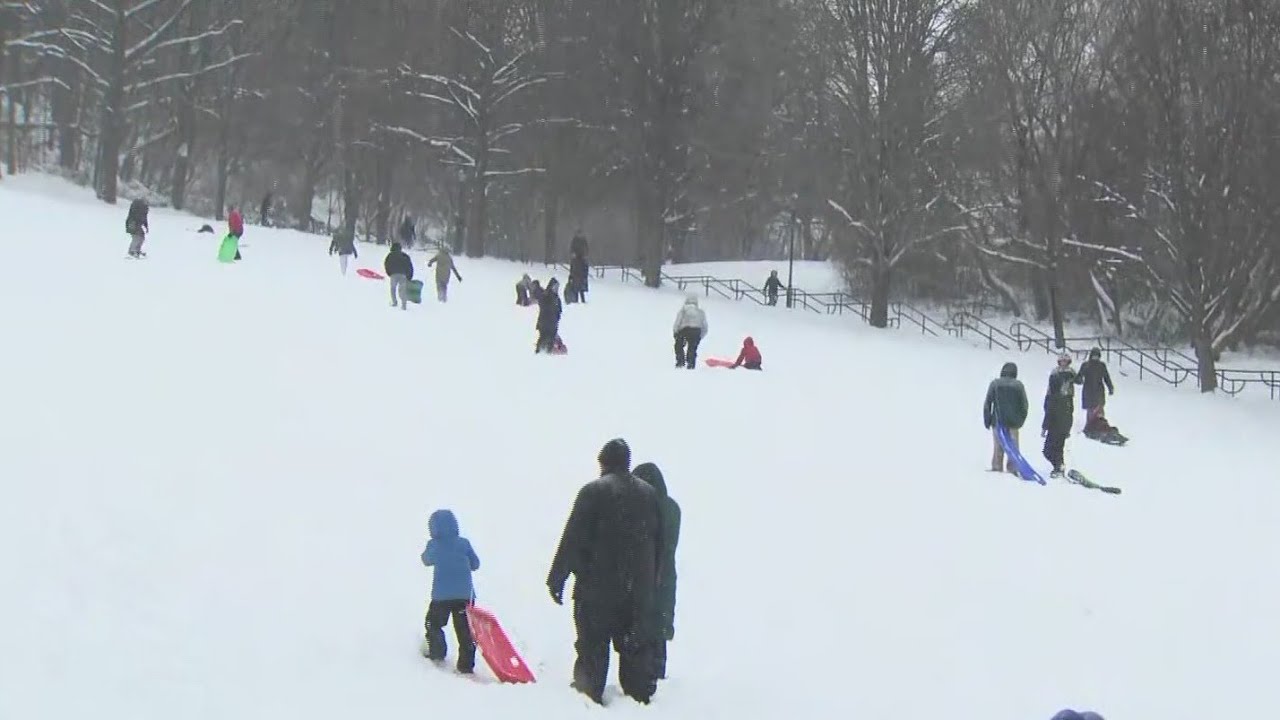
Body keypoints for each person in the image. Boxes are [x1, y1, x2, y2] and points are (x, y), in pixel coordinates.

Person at [547, 438, 664, 706]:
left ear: (604, 463)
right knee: (634, 646)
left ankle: (589, 693)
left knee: (593, 645)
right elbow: (660, 543)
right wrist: (653, 582)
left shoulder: (593, 491)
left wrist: (558, 576)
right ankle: (638, 695)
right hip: (637, 589)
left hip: (597, 588)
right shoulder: (650, 495)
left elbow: (573, 537)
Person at [633, 462, 680, 681]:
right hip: (667, 574)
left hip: (646, 573)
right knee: (661, 622)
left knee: (645, 624)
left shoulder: (647, 509)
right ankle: (658, 670)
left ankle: (647, 674)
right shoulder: (672, 508)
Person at [419, 509, 480, 674]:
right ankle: (466, 665)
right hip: (464, 596)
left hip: (442, 597)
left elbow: (426, 560)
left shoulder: (435, 545)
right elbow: (475, 564)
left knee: (434, 623)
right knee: (465, 630)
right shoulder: (464, 544)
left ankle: (437, 653)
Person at [983, 361, 1030, 474]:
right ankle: (1013, 468)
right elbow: (1024, 404)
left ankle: (997, 466)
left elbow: (988, 403)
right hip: (1014, 422)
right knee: (1013, 447)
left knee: (998, 446)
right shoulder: (1018, 385)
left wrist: (987, 420)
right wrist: (1021, 420)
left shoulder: (995, 384)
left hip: (997, 421)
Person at [1042, 353, 1077, 477]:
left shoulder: (1070, 373)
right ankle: (1059, 465)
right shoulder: (1054, 373)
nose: (1063, 363)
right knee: (1054, 447)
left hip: (1061, 417)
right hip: (1058, 418)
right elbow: (1048, 406)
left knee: (1054, 447)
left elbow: (1077, 381)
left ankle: (1059, 466)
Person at [1074, 347, 1115, 423]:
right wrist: (1079, 380)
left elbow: (1106, 377)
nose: (1095, 357)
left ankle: (1100, 426)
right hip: (1088, 390)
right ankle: (1090, 426)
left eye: (1097, 356)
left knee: (1099, 409)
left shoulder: (1102, 366)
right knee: (1090, 410)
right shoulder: (1085, 365)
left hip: (1099, 390)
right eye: (1094, 356)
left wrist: (1110, 387)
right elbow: (1079, 376)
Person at [672, 295, 708, 369]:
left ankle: (680, 362)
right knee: (692, 348)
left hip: (684, 330)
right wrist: (700, 336)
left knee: (679, 345)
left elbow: (678, 322)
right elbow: (705, 326)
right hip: (696, 331)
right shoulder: (700, 312)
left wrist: (675, 332)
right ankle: (691, 364)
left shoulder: (683, 310)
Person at [535, 278, 563, 353]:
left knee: (550, 336)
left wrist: (557, 317)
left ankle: (547, 350)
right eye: (555, 287)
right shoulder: (546, 296)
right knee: (544, 336)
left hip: (552, 321)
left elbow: (559, 310)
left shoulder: (556, 298)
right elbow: (543, 305)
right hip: (545, 320)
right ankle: (540, 351)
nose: (556, 289)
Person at [384, 242, 414, 310]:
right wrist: (409, 276)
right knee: (402, 290)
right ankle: (404, 305)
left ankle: (394, 302)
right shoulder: (404, 256)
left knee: (393, 289)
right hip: (403, 275)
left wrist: (389, 273)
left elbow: (386, 265)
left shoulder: (390, 255)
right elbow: (409, 266)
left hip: (393, 274)